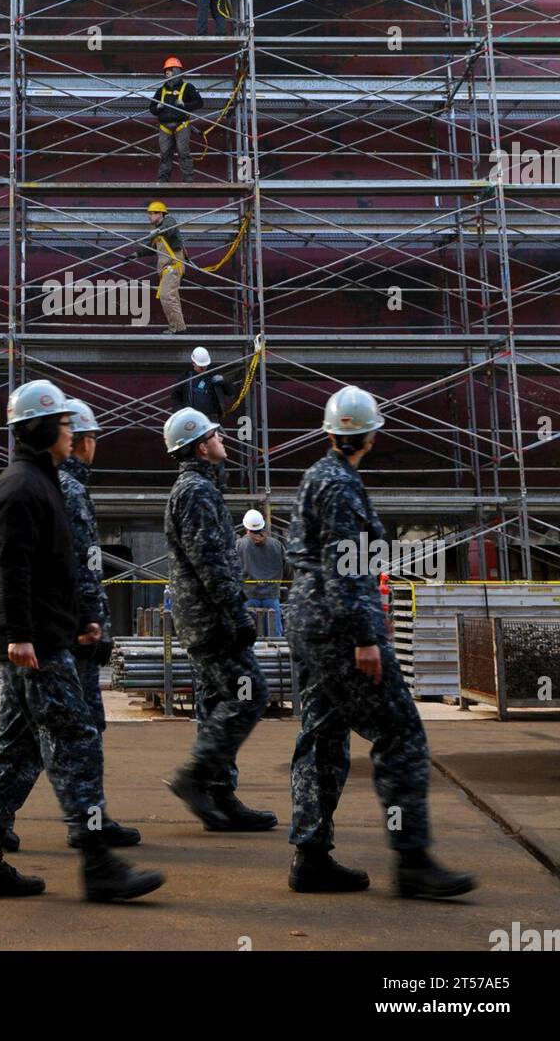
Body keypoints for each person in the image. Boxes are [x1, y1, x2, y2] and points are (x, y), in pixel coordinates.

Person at [0, 379, 164, 903]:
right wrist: (20, 635)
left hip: (51, 635)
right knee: (77, 741)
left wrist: (81, 620)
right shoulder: (21, 487)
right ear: (44, 427)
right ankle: (98, 865)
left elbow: (59, 568)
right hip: (38, 647)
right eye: (67, 423)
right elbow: (9, 567)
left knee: (16, 746)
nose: (73, 432)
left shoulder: (44, 481)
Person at [285, 385, 477, 900]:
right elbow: (347, 567)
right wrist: (365, 637)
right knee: (401, 735)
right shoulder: (342, 486)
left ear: (330, 432)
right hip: (340, 626)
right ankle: (412, 861)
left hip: (310, 622)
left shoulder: (316, 478)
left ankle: (311, 858)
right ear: (370, 435)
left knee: (323, 737)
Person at [162, 405, 278, 833]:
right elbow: (211, 563)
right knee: (250, 693)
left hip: (200, 617)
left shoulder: (198, 488)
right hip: (211, 619)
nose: (223, 440)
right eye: (216, 435)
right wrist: (237, 613)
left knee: (215, 704)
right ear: (200, 446)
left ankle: (219, 797)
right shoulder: (196, 491)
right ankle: (193, 779)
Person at [58, 397, 140, 847]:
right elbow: (82, 565)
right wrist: (91, 620)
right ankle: (90, 828)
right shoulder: (70, 490)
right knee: (81, 727)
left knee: (38, 729)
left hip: (56, 630)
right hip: (70, 634)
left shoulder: (54, 485)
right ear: (84, 442)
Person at [150, 54, 203, 182]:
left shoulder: (187, 88)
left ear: (175, 71)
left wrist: (185, 105)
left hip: (182, 125)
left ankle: (188, 179)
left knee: (183, 152)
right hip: (165, 127)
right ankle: (163, 179)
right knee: (165, 154)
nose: (166, 73)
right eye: (166, 71)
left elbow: (199, 103)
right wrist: (157, 107)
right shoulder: (161, 90)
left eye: (169, 70)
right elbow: (151, 108)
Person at [237, 509, 290, 638]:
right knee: (276, 637)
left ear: (245, 526)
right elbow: (288, 569)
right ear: (263, 525)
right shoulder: (277, 545)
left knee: (246, 636)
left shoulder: (239, 545)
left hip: (248, 595)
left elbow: (232, 571)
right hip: (271, 595)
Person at [138, 199, 186, 333]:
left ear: (160, 214)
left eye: (152, 213)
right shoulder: (158, 233)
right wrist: (136, 254)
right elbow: (151, 248)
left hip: (173, 267)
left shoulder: (169, 222)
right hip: (167, 269)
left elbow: (168, 229)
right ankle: (176, 328)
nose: (149, 216)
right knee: (169, 297)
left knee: (167, 295)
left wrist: (158, 231)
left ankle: (179, 329)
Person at [171, 344, 233, 420]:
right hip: (192, 418)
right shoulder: (185, 377)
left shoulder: (214, 374)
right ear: (193, 363)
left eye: (205, 365)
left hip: (212, 418)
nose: (203, 368)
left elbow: (231, 392)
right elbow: (175, 397)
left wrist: (224, 381)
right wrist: (181, 414)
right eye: (200, 366)